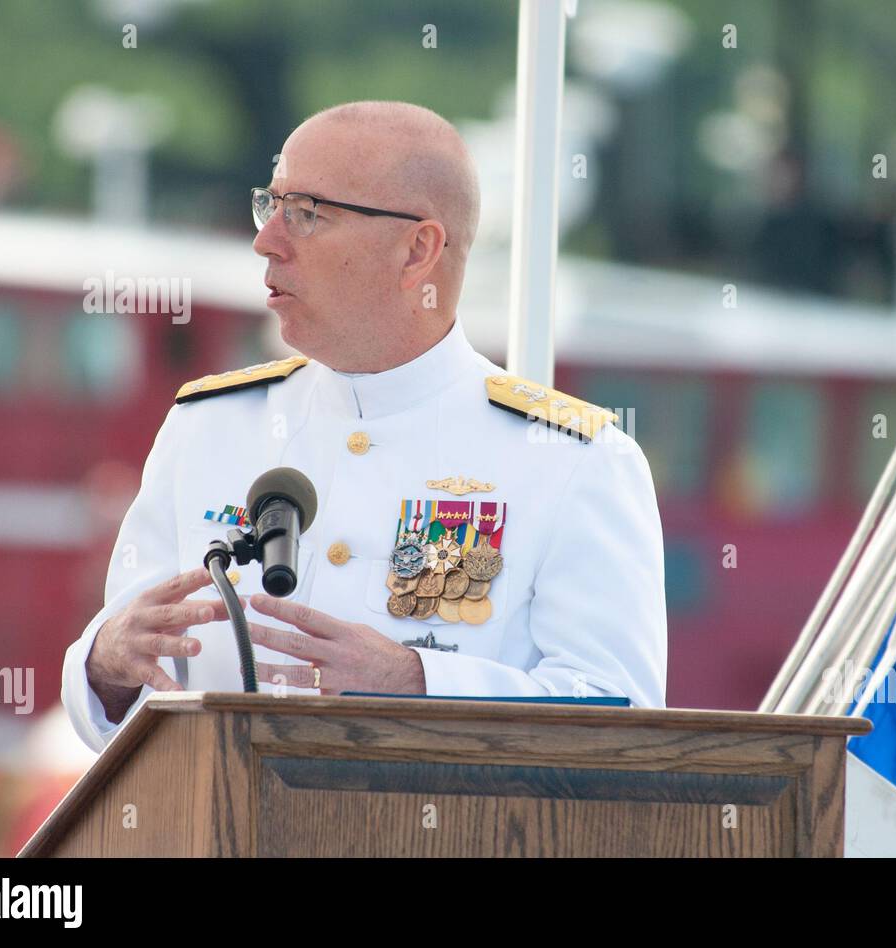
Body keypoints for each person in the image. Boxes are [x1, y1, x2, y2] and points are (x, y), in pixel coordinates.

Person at [61, 101, 667, 753]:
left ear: (417, 249)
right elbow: (113, 697)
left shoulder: (573, 458)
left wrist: (418, 681)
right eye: (271, 205)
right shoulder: (207, 426)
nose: (267, 240)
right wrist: (105, 661)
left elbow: (620, 716)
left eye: (309, 214)